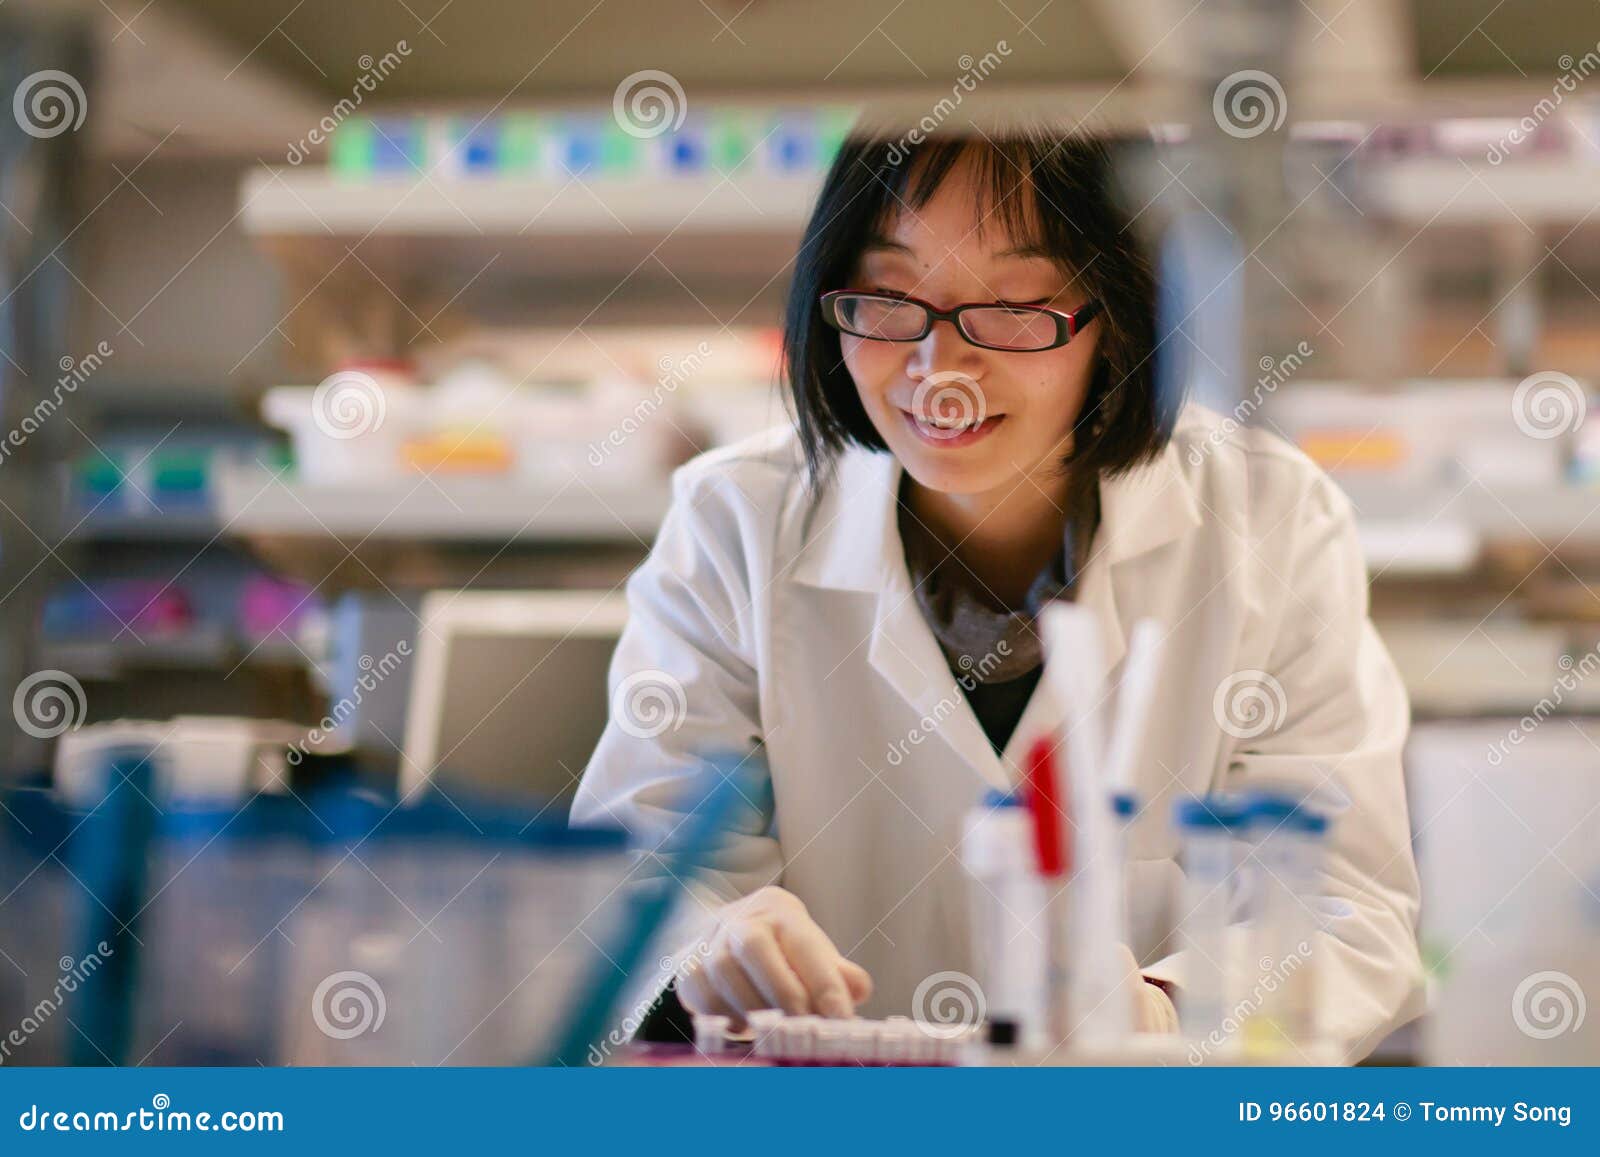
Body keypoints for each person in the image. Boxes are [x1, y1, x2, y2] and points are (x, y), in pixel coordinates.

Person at [571, 124, 1424, 1060]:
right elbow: (631, 874)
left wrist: (1161, 1010)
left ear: (1121, 310)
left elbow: (1346, 910)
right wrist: (706, 940)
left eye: (1015, 304)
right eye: (891, 296)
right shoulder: (737, 520)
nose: (942, 368)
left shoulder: (1270, 517)